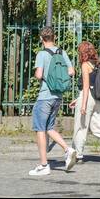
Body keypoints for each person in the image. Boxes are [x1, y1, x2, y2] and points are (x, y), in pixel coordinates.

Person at [28, 26, 76, 176]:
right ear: (54, 37)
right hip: (58, 96)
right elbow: (71, 71)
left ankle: (44, 165)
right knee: (49, 127)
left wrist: (42, 73)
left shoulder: (42, 54)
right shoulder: (62, 52)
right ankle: (68, 150)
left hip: (45, 96)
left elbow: (39, 74)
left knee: (40, 129)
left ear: (41, 39)